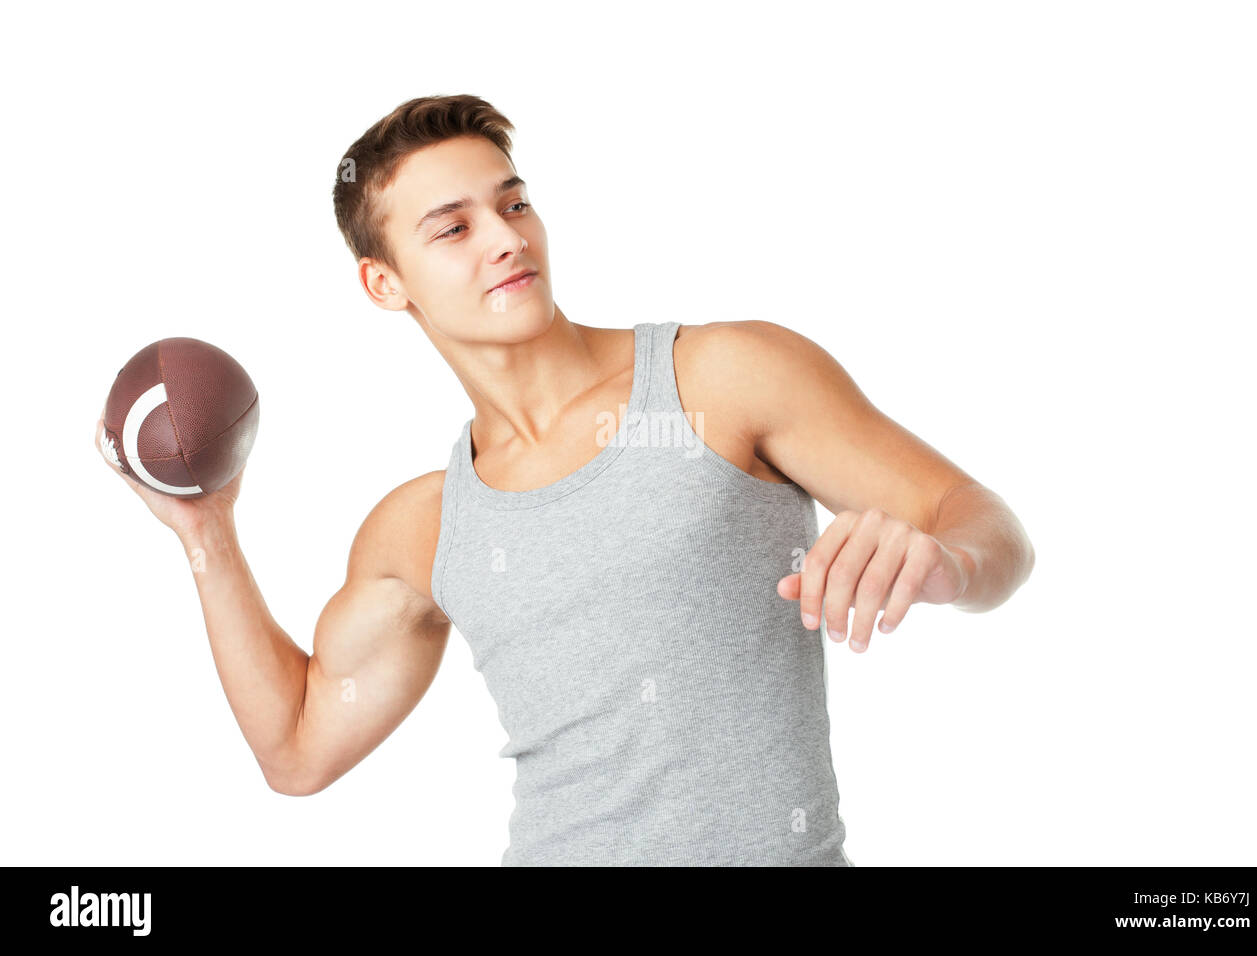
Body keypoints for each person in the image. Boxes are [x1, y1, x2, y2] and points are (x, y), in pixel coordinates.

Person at [95, 94, 1035, 866]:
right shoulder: (423, 527)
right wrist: (207, 533)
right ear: (386, 285)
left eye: (512, 203)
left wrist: (943, 561)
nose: (504, 239)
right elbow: (298, 754)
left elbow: (987, 527)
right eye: (451, 228)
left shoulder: (725, 376)